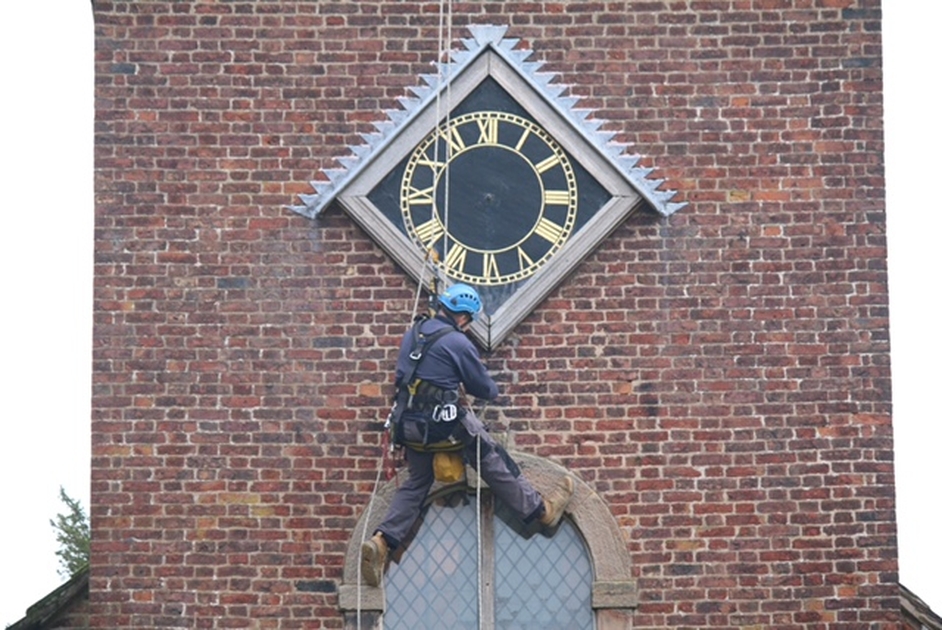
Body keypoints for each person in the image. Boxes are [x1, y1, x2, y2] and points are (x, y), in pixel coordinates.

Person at [360, 283, 575, 587]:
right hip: (445, 424)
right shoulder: (457, 343)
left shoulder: (414, 333)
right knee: (491, 457)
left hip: (409, 425)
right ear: (463, 317)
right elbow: (485, 389)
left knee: (418, 482)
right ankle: (541, 511)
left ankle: (383, 541)